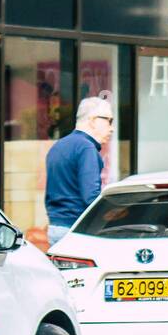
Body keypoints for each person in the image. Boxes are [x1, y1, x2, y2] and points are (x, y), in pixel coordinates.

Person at [44, 96, 114, 247]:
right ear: (93, 120)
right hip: (76, 230)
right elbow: (91, 197)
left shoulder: (58, 146)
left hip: (55, 228)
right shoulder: (86, 148)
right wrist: (116, 212)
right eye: (109, 121)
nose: (112, 128)